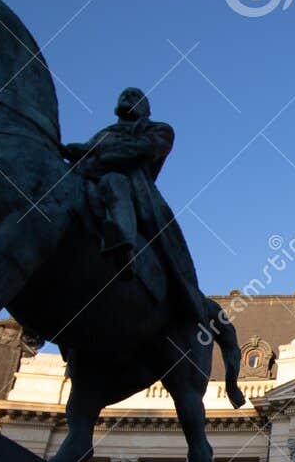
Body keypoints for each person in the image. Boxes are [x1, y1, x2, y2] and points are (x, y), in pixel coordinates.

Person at [61, 87, 210, 323]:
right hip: (87, 181)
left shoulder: (159, 130)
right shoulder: (104, 133)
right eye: (123, 95)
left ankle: (122, 245)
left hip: (133, 190)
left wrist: (93, 152)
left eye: (135, 97)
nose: (127, 97)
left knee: (114, 182)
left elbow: (143, 150)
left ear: (146, 110)